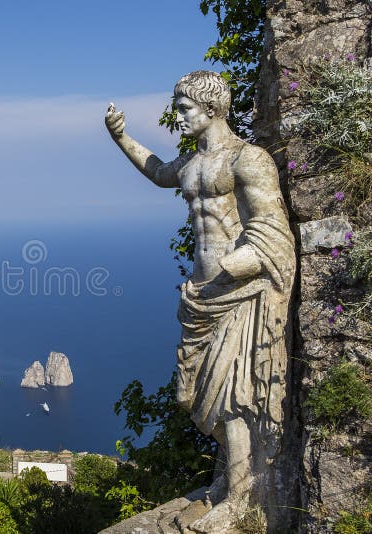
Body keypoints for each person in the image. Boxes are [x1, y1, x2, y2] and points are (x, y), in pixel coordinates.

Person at [105, 71, 295, 530]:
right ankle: (229, 481)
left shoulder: (248, 160)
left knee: (234, 393)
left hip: (238, 293)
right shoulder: (191, 164)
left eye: (185, 108)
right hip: (201, 296)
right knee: (198, 395)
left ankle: (240, 494)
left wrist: (237, 264)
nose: (178, 115)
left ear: (211, 108)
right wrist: (122, 137)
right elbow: (156, 172)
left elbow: (274, 230)